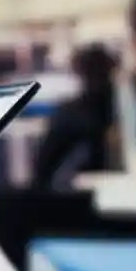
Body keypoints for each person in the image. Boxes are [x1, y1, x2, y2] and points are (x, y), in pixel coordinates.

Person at [32, 44, 118, 191]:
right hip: (78, 195)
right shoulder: (73, 114)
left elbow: (43, 168)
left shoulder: (69, 112)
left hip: (74, 194)